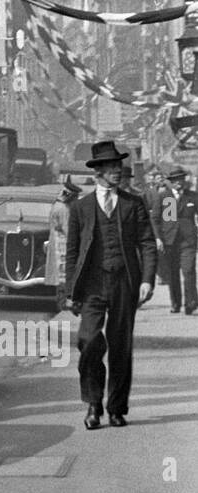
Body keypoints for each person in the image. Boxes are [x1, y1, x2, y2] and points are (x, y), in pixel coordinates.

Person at [65, 141, 156, 429]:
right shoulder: (81, 208)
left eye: (119, 167)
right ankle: (94, 403)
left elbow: (147, 243)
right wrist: (70, 292)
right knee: (89, 341)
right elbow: (72, 252)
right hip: (92, 285)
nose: (119, 171)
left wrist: (147, 280)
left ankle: (116, 408)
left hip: (124, 283)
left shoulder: (134, 203)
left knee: (121, 347)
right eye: (113, 167)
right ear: (99, 172)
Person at [150, 165, 198, 314]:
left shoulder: (193, 196)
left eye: (181, 179)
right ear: (170, 181)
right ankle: (175, 303)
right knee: (172, 273)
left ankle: (191, 302)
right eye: (175, 180)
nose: (179, 182)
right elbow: (155, 219)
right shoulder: (164, 197)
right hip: (169, 241)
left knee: (189, 270)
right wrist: (158, 238)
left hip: (188, 241)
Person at [45, 176, 80, 310]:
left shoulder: (56, 205)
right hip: (63, 248)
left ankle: (62, 303)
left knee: (61, 281)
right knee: (64, 279)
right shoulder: (64, 209)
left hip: (57, 246)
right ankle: (64, 305)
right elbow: (69, 231)